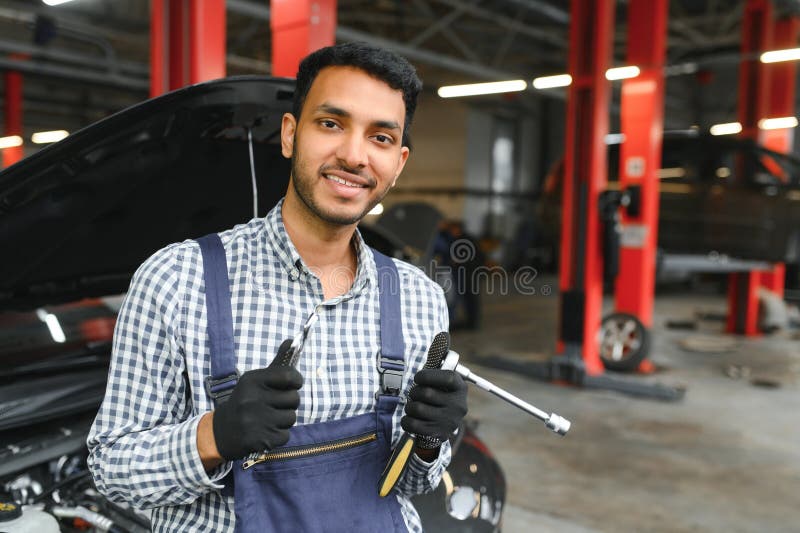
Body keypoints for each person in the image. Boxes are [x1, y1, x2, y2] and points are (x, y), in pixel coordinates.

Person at [87, 42, 467, 532]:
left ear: (398, 163)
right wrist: (212, 436)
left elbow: (410, 484)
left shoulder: (419, 298)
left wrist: (431, 442)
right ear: (290, 135)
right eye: (331, 124)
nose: (354, 155)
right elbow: (111, 470)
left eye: (381, 138)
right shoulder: (176, 280)